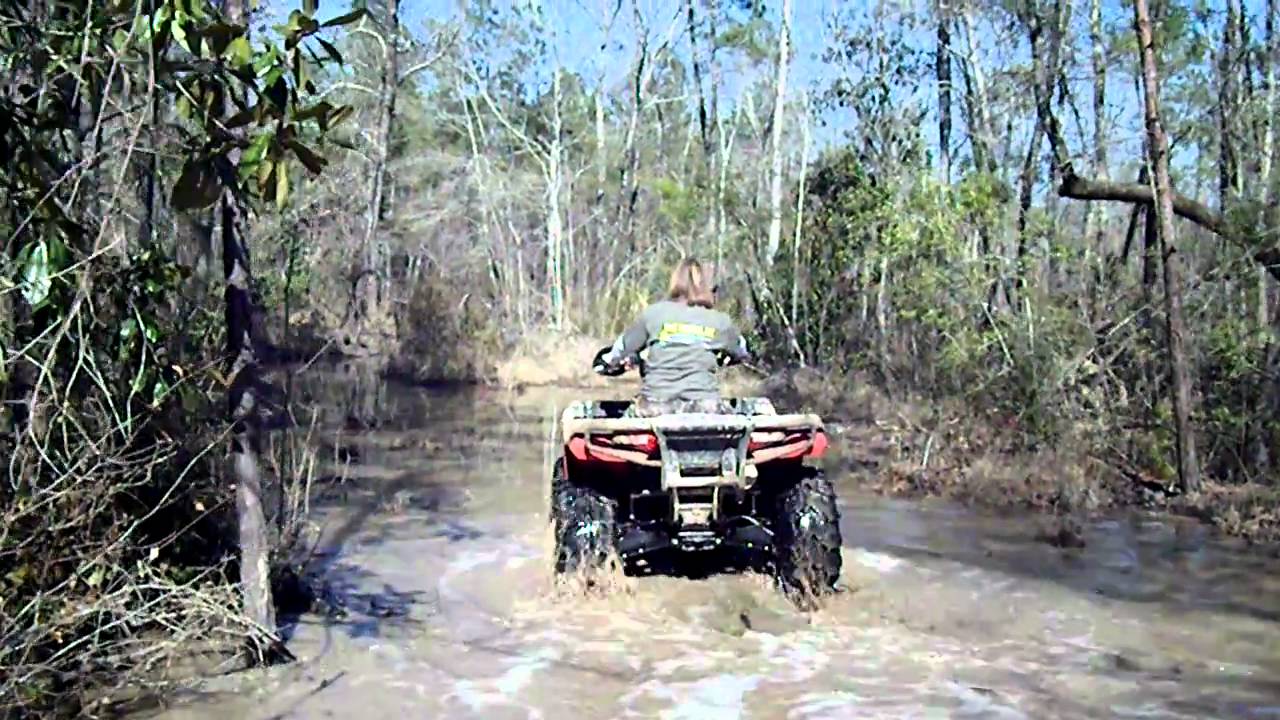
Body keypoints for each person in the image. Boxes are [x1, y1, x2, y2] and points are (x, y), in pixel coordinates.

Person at [596, 257, 751, 416]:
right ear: (706, 287)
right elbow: (743, 351)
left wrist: (607, 362)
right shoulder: (721, 321)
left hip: (656, 406)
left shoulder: (653, 314)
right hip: (705, 406)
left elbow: (620, 349)